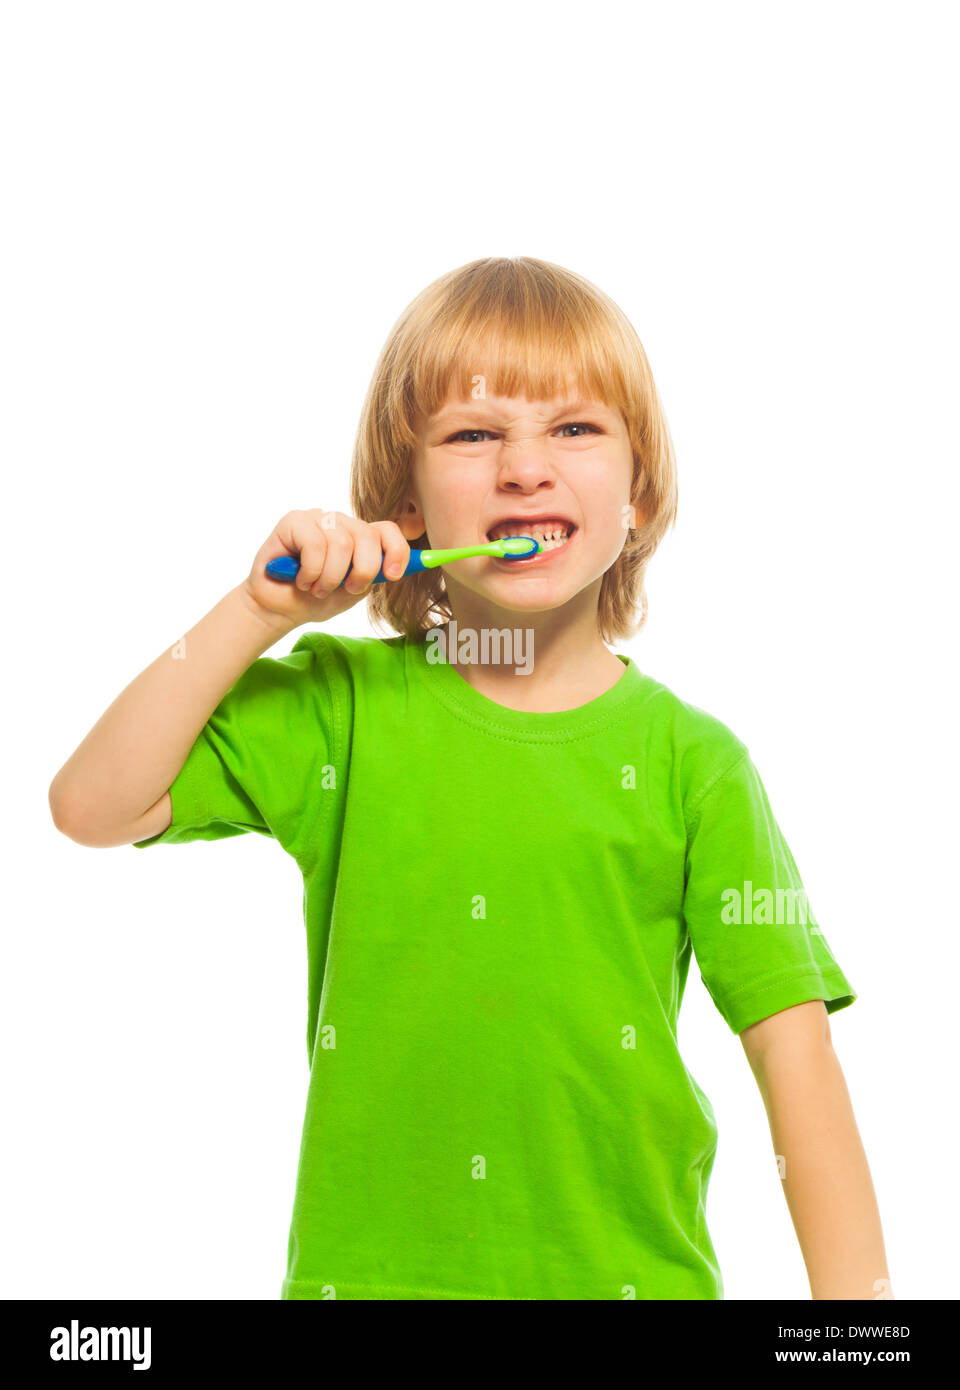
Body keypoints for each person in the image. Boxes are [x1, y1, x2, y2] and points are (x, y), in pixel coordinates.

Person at [48, 255, 891, 1300]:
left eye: (574, 427)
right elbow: (92, 804)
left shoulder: (698, 765)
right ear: (405, 505)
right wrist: (258, 614)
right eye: (473, 435)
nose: (526, 468)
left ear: (638, 492)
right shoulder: (343, 710)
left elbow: (794, 1061)